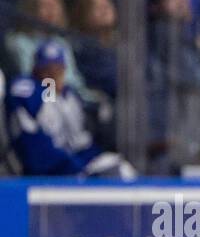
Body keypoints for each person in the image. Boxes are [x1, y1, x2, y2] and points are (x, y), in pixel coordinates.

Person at [4, 41, 133, 177]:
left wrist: (88, 163)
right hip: (45, 173)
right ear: (36, 70)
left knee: (121, 168)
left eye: (57, 70)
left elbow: (81, 143)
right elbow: (35, 149)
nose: (53, 76)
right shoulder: (26, 90)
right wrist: (77, 167)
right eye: (47, 70)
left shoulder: (70, 96)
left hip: (73, 165)